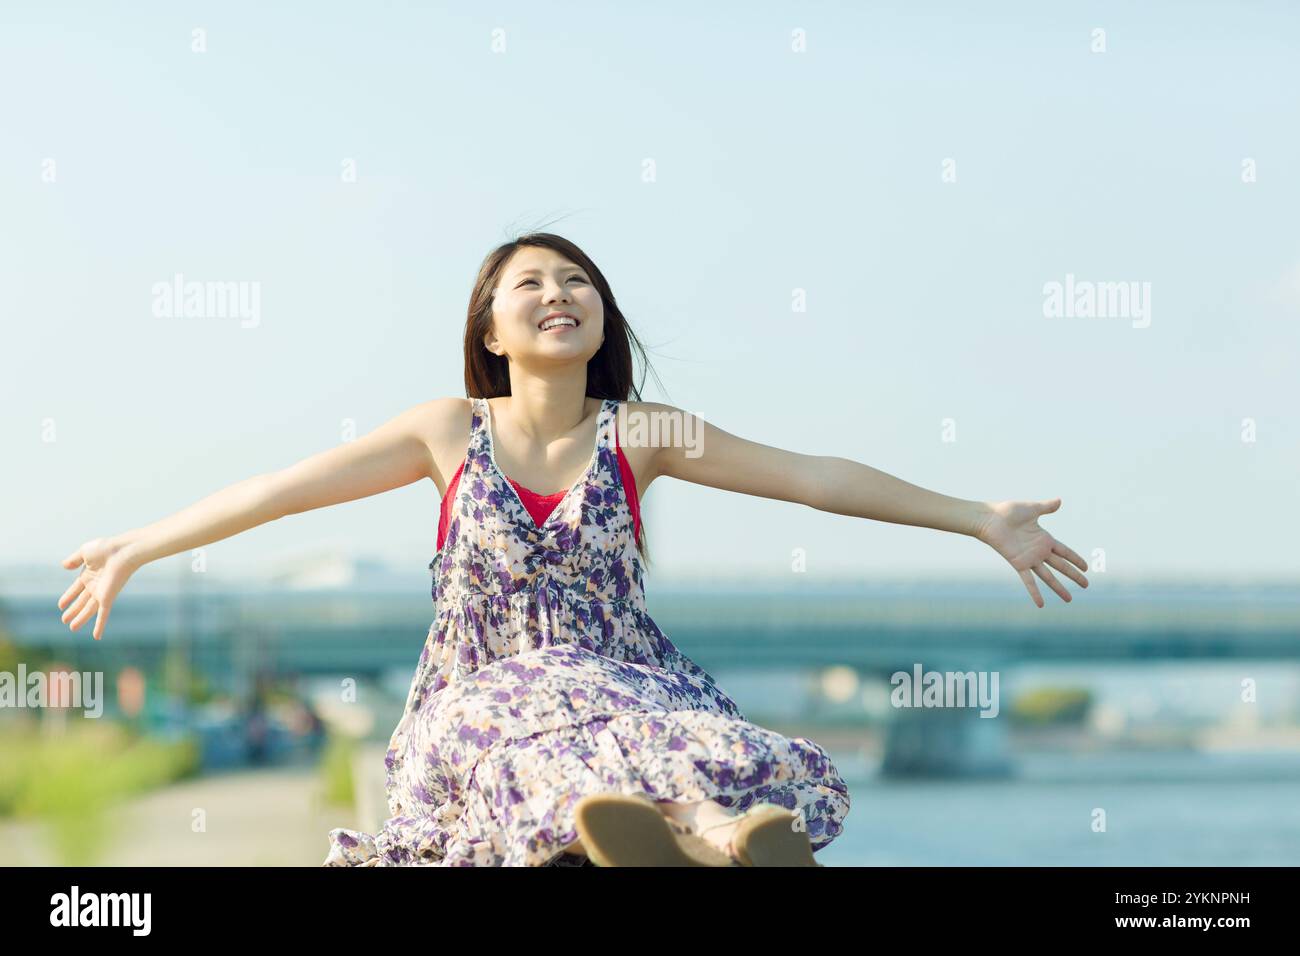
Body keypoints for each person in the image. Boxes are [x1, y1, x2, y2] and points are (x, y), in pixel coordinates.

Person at [55, 232, 1089, 867]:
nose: (560, 293)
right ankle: (691, 836)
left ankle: (721, 838)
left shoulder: (644, 433)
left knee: (671, 746)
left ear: (602, 319)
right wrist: (142, 543)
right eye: (531, 284)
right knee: (552, 759)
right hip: (480, 690)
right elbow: (280, 491)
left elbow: (812, 476)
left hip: (624, 678)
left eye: (578, 282)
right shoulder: (444, 430)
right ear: (492, 328)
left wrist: (977, 516)